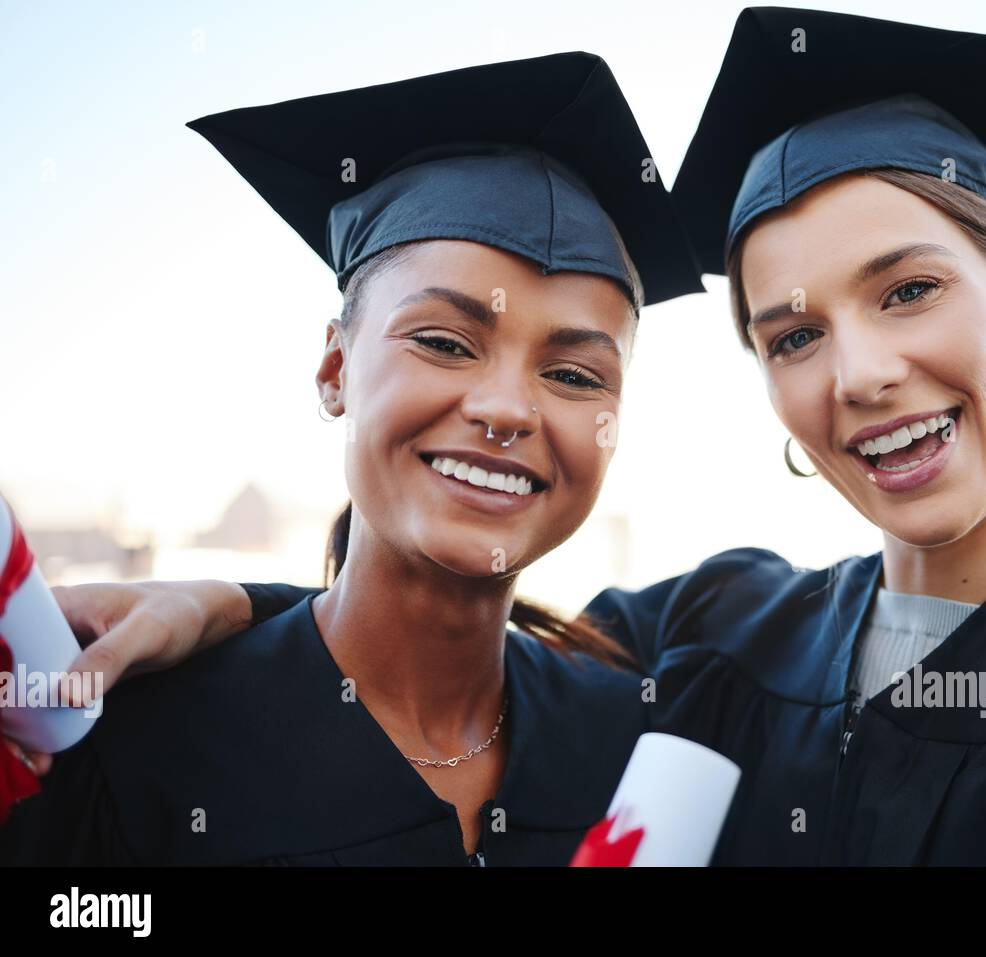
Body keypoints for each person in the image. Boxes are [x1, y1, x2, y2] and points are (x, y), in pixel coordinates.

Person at [15, 10, 986, 866]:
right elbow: (434, 632)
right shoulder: (719, 639)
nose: (858, 372)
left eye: (907, 290)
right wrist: (222, 607)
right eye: (791, 334)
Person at [0, 52, 704, 865]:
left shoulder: (638, 747)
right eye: (444, 342)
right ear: (335, 369)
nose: (509, 408)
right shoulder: (124, 745)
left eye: (574, 374)